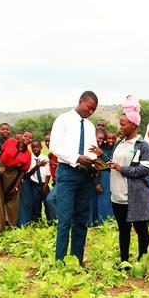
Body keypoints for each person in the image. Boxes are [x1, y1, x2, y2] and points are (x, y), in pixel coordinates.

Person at [49, 90, 100, 263]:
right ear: (80, 101)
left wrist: (94, 161)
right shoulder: (63, 120)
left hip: (85, 175)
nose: (90, 112)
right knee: (65, 220)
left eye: (93, 110)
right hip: (68, 172)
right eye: (89, 107)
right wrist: (77, 158)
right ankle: (60, 261)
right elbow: (54, 146)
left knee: (81, 219)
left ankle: (77, 260)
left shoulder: (90, 126)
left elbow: (92, 150)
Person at [102, 99, 149, 264]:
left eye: (123, 124)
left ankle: (142, 261)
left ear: (133, 124)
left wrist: (122, 168)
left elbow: (144, 170)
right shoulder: (119, 143)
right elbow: (113, 164)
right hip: (117, 197)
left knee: (141, 230)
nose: (120, 127)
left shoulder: (143, 146)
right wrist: (101, 156)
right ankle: (124, 261)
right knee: (123, 231)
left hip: (134, 196)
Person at [0, 131, 32, 227]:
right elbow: (0, 153)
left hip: (13, 175)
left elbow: (23, 172)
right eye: (25, 136)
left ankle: (9, 223)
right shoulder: (10, 142)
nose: (27, 138)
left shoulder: (28, 155)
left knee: (11, 198)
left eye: (29, 138)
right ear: (21, 136)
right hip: (1, 169)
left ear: (31, 141)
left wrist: (16, 186)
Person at [19, 139, 50, 226]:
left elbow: (48, 173)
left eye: (37, 147)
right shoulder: (30, 159)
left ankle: (50, 220)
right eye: (33, 147)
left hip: (44, 184)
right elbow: (28, 174)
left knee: (48, 203)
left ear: (41, 147)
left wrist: (45, 185)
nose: (35, 149)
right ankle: (38, 221)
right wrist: (37, 166)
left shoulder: (45, 158)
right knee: (36, 204)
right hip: (34, 185)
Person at [95, 131, 116, 222]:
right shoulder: (101, 150)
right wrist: (98, 182)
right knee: (103, 200)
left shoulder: (116, 149)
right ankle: (102, 220)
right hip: (103, 177)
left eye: (113, 138)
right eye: (109, 138)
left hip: (114, 176)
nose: (111, 140)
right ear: (105, 140)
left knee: (112, 200)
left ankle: (112, 219)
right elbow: (97, 167)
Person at [44, 133, 59, 222]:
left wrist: (55, 164)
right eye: (46, 141)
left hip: (62, 181)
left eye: (49, 140)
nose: (47, 143)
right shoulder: (50, 154)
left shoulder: (59, 152)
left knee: (50, 199)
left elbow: (69, 164)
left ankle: (57, 221)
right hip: (55, 182)